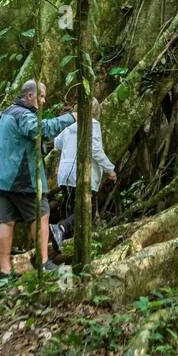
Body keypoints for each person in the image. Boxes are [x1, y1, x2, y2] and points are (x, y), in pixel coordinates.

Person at [0, 80, 74, 285]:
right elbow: (40, 129)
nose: (43, 101)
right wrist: (70, 118)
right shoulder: (24, 115)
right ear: (30, 96)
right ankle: (43, 262)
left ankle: (5, 273)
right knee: (42, 214)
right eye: (41, 96)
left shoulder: (7, 112)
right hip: (21, 180)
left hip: (3, 179)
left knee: (6, 221)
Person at [49, 98, 116, 253]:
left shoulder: (70, 126)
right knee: (85, 210)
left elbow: (57, 143)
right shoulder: (93, 124)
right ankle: (60, 228)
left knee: (72, 209)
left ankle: (65, 245)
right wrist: (110, 169)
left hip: (65, 175)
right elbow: (96, 151)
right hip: (81, 175)